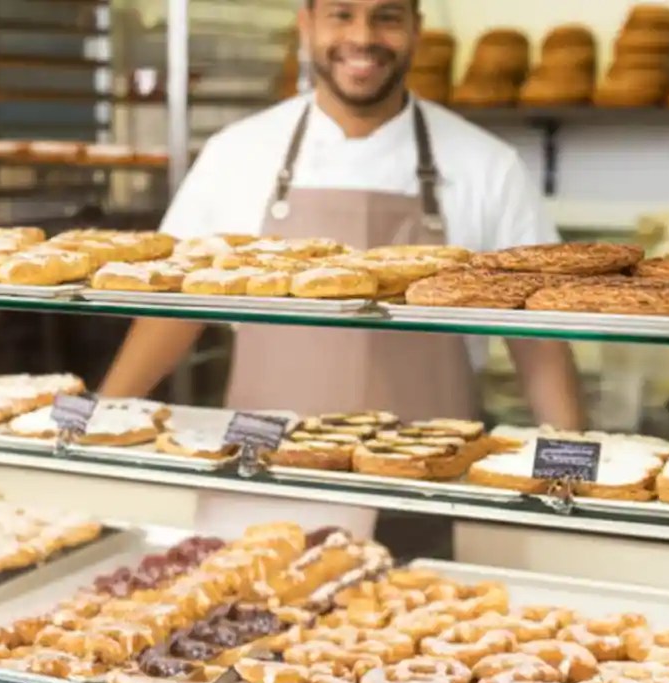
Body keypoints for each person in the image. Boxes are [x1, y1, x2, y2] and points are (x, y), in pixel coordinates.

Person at [101, 0, 583, 538]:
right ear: (306, 25)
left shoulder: (487, 165)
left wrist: (572, 481)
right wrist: (97, 420)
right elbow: (171, 308)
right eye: (341, 14)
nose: (363, 36)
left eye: (387, 17)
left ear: (416, 32)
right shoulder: (236, 155)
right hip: (267, 475)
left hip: (425, 482)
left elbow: (540, 340)